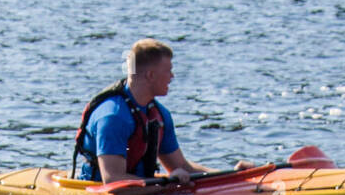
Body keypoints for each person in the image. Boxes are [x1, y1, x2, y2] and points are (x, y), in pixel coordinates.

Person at [73, 38, 256, 185]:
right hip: (98, 192)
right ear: (151, 75)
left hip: (143, 188)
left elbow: (182, 166)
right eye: (168, 71)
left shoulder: (159, 114)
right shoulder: (113, 116)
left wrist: (234, 175)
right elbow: (113, 180)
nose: (172, 76)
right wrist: (165, 183)